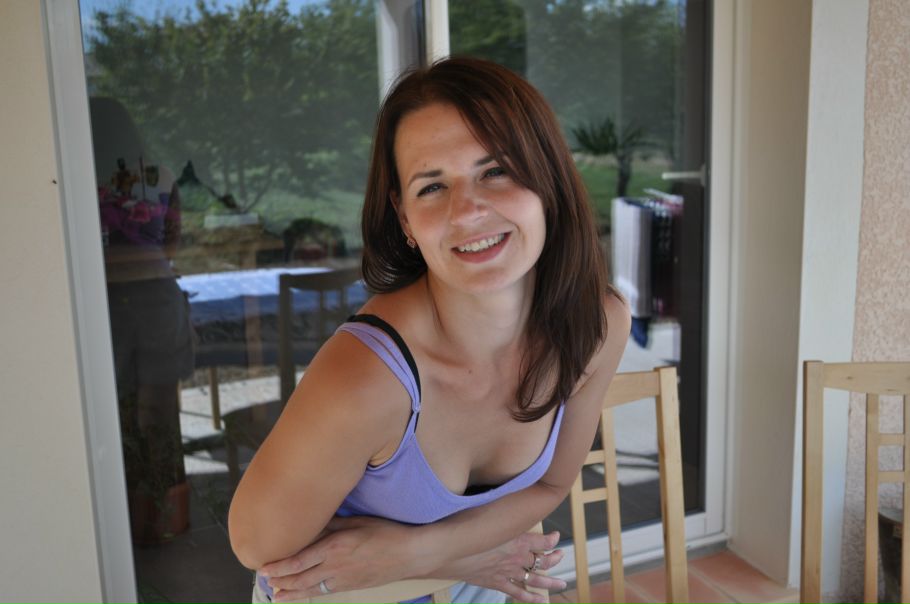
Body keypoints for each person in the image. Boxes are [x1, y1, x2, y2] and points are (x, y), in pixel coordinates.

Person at [228, 56, 631, 603]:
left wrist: (419, 553)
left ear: (548, 179)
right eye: (432, 187)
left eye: (495, 171)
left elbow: (550, 484)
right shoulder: (369, 376)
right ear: (405, 219)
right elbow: (257, 546)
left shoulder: (597, 326)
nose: (467, 212)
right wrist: (466, 557)